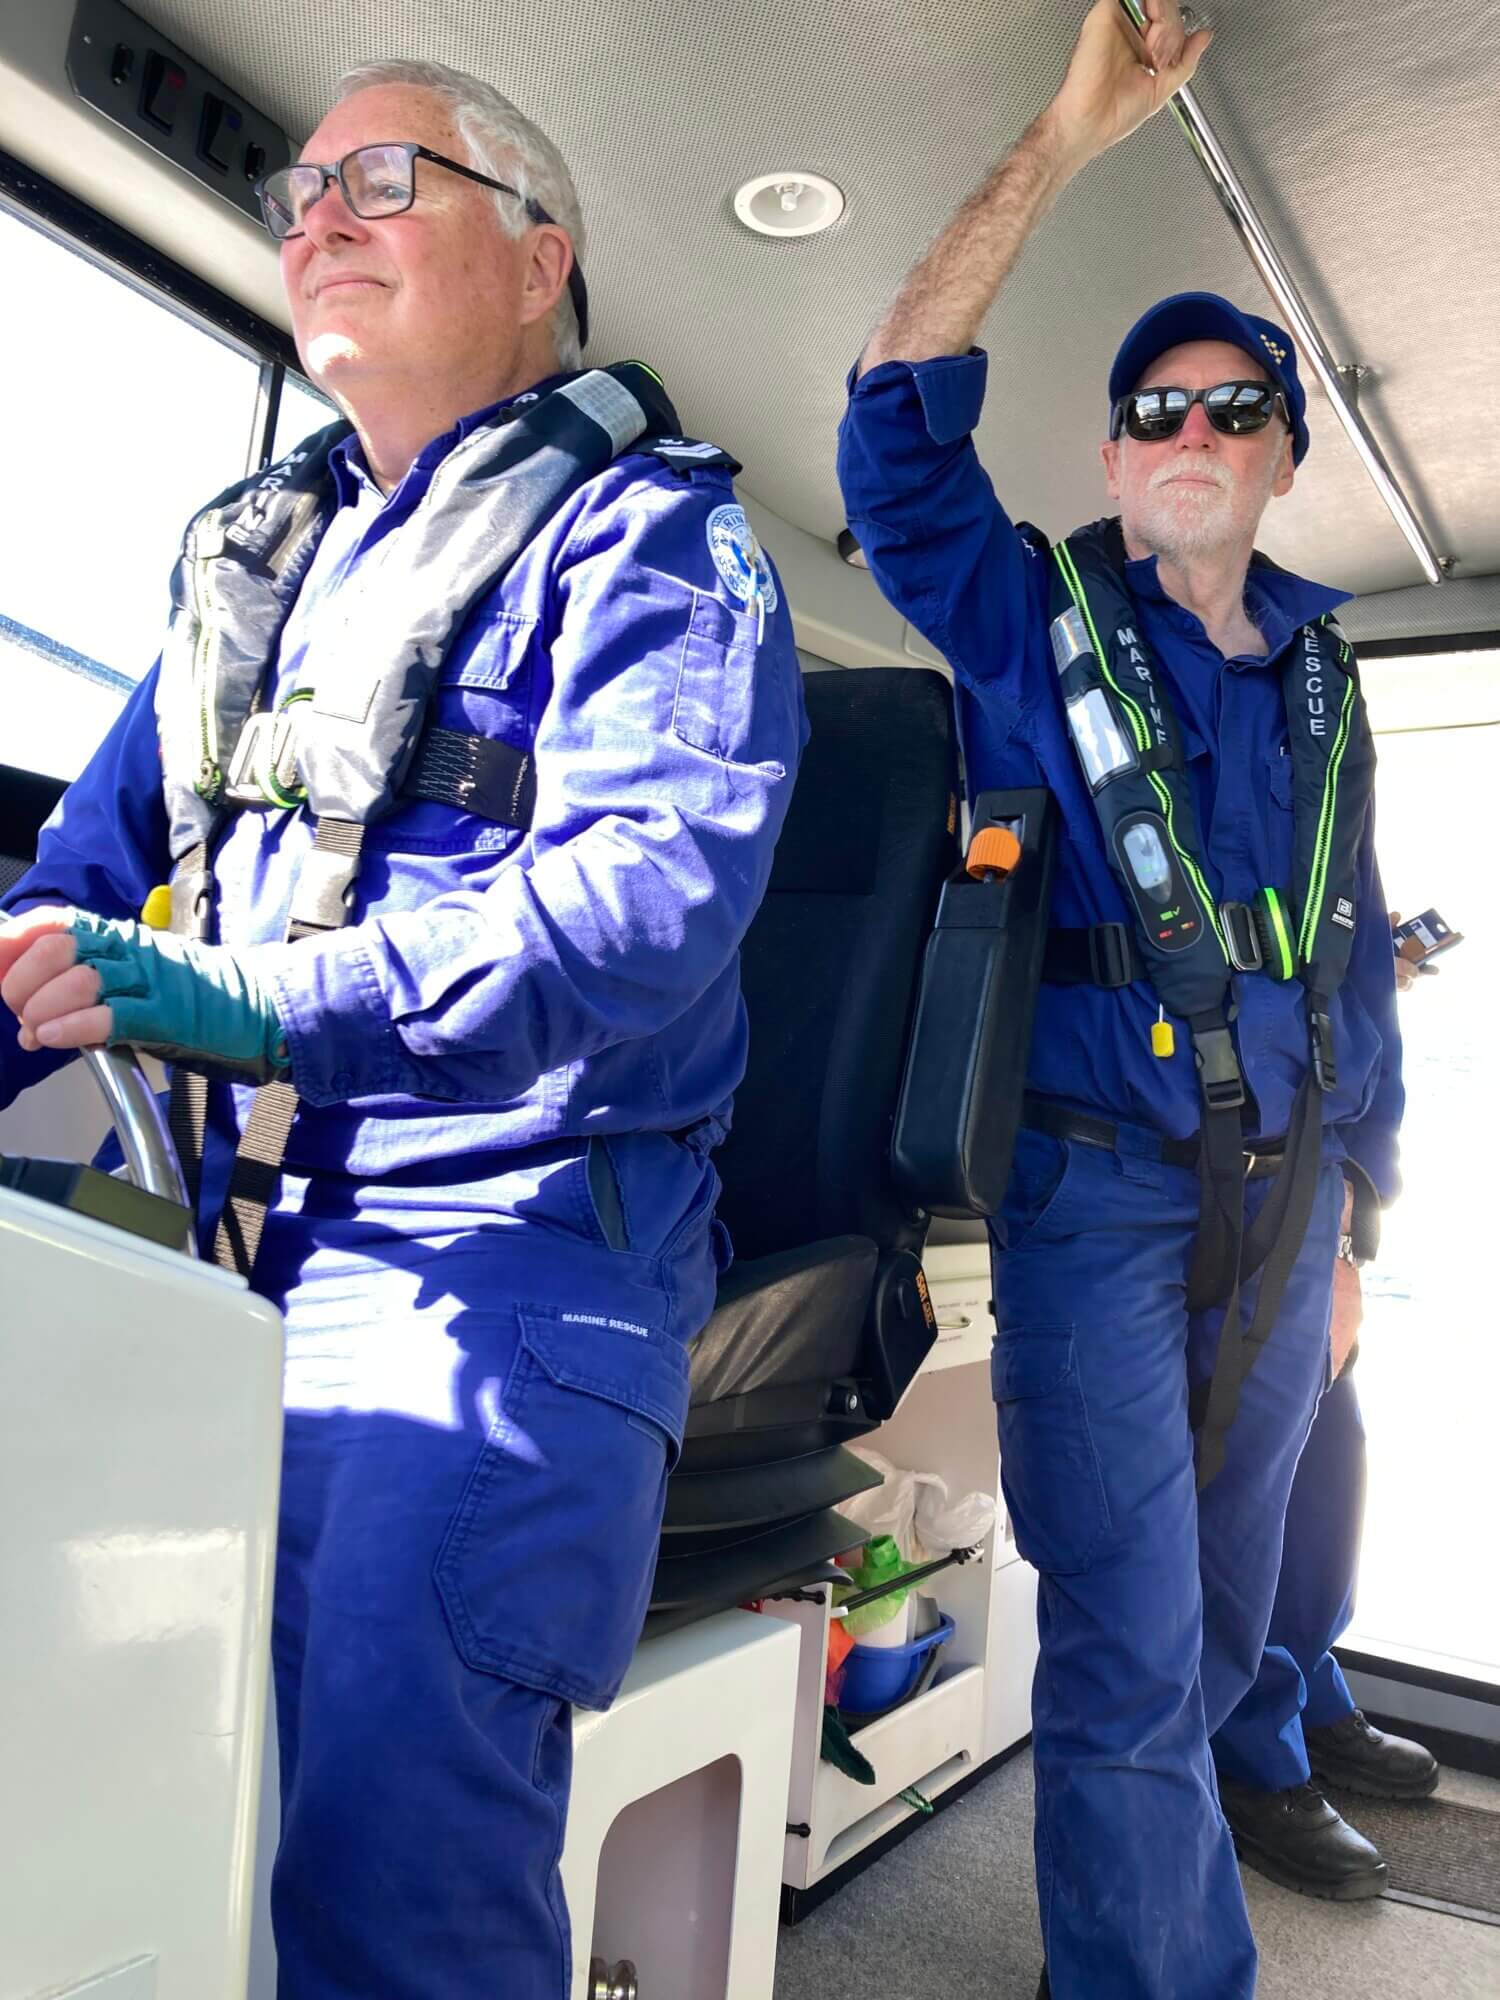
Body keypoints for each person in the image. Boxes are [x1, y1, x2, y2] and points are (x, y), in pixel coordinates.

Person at [0, 58, 805, 2000]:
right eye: (297, 198)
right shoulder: (254, 580)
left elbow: (646, 905)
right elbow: (69, 896)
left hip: (507, 1268)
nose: (316, 222)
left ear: (538, 261)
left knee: (387, 1896)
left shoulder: (653, 545)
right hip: (238, 1261)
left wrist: (266, 1003)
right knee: (148, 1805)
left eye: (379, 178)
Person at [835, 3, 1402, 1995]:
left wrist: (1358, 1220)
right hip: (1097, 1200)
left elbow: (1355, 958)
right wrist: (1066, 139)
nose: (1190, 431)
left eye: (1233, 405)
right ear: (1111, 455)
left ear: (1282, 453)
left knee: (1225, 1632)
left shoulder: (1330, 685)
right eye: (1154, 409)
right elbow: (891, 428)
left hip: (1290, 1208)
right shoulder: (1031, 623)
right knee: (1136, 1650)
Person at [1211, 912, 1440, 1899]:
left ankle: (1301, 1683)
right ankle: (1251, 1744)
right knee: (1246, 1488)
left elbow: (1366, 1003)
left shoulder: (1341, 812)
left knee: (1328, 1464)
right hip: (1212, 1148)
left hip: (1313, 1159)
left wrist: (1351, 1226)